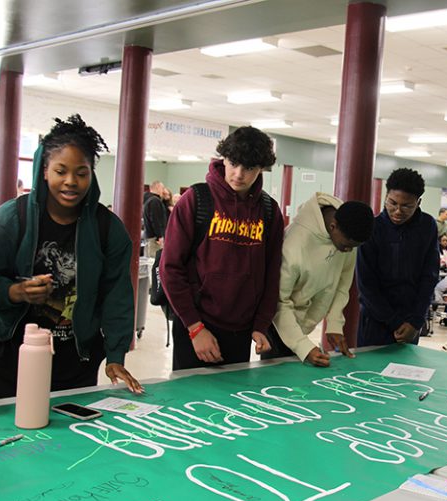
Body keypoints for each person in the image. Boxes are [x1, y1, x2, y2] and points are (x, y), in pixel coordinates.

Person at [0, 114, 142, 399]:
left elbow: (117, 296)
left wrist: (115, 355)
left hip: (76, 362)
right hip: (13, 358)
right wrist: (15, 291)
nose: (71, 181)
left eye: (81, 173)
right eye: (61, 171)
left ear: (91, 174)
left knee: (70, 425)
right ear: (44, 170)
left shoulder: (109, 229)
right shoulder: (11, 220)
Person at [160, 126, 284, 370]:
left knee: (233, 394)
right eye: (233, 163)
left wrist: (261, 324)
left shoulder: (269, 211)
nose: (238, 174)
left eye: (249, 168)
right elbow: (170, 268)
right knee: (191, 393)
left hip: (241, 331)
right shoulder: (196, 199)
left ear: (261, 169)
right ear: (224, 159)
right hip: (195, 327)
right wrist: (195, 327)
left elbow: (272, 273)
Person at [263, 194, 374, 367]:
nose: (348, 251)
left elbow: (342, 285)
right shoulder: (293, 245)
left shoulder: (349, 230)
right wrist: (303, 346)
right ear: (333, 226)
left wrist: (335, 324)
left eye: (353, 248)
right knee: (278, 374)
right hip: (278, 323)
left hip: (305, 321)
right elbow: (278, 302)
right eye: (346, 246)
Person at [356, 168, 439, 346]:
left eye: (406, 206)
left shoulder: (427, 227)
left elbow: (429, 276)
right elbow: (366, 284)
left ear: (418, 202)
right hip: (375, 320)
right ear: (386, 196)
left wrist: (416, 321)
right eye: (392, 203)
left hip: (410, 323)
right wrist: (393, 321)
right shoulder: (373, 228)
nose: (398, 211)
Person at [143, 180, 168, 258]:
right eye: (162, 188)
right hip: (154, 238)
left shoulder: (148, 200)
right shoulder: (155, 201)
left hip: (149, 235)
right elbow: (156, 220)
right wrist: (159, 236)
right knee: (153, 259)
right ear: (158, 188)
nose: (163, 191)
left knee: (149, 258)